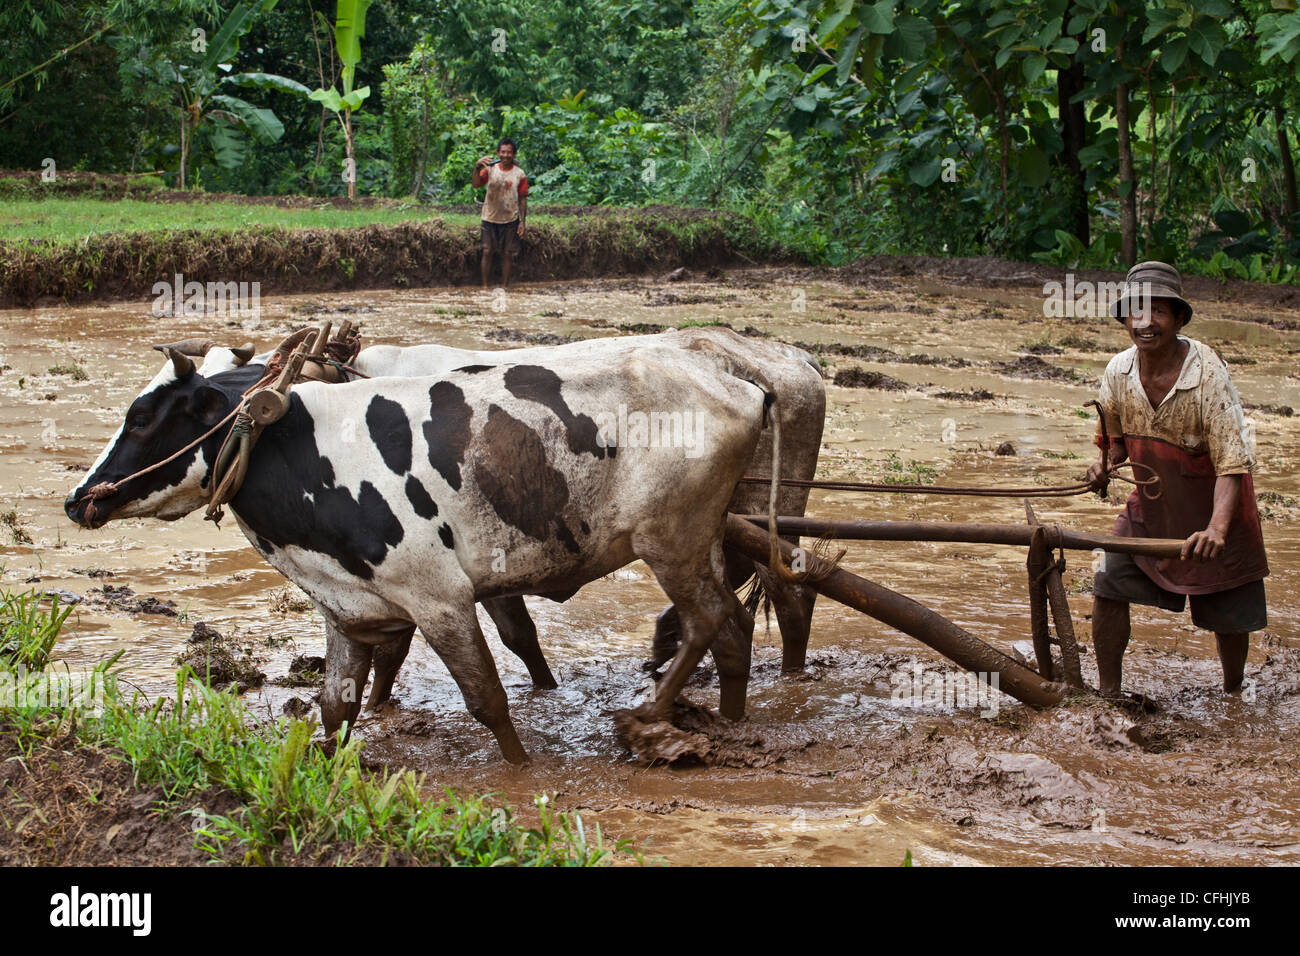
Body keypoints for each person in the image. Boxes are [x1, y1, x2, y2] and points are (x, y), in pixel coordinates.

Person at [1087, 261, 1269, 697]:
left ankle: (1232, 694)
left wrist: (1217, 529)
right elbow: (1115, 444)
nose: (1145, 324)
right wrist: (1102, 466)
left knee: (1229, 611)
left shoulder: (1208, 374)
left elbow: (1232, 464)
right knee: (1108, 580)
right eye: (1136, 313)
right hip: (1153, 506)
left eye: (1158, 313)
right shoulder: (1118, 372)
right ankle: (1108, 695)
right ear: (1125, 320)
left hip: (1215, 508)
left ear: (1179, 318)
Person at [472, 138, 528, 288]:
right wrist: (477, 168)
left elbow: (522, 199)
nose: (506, 155)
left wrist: (522, 222)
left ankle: (504, 287)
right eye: (503, 152)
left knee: (507, 253)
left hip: (510, 218)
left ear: (514, 154)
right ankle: (484, 286)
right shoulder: (490, 169)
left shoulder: (519, 174)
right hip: (489, 217)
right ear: (498, 153)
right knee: (487, 251)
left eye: (509, 152)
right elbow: (476, 184)